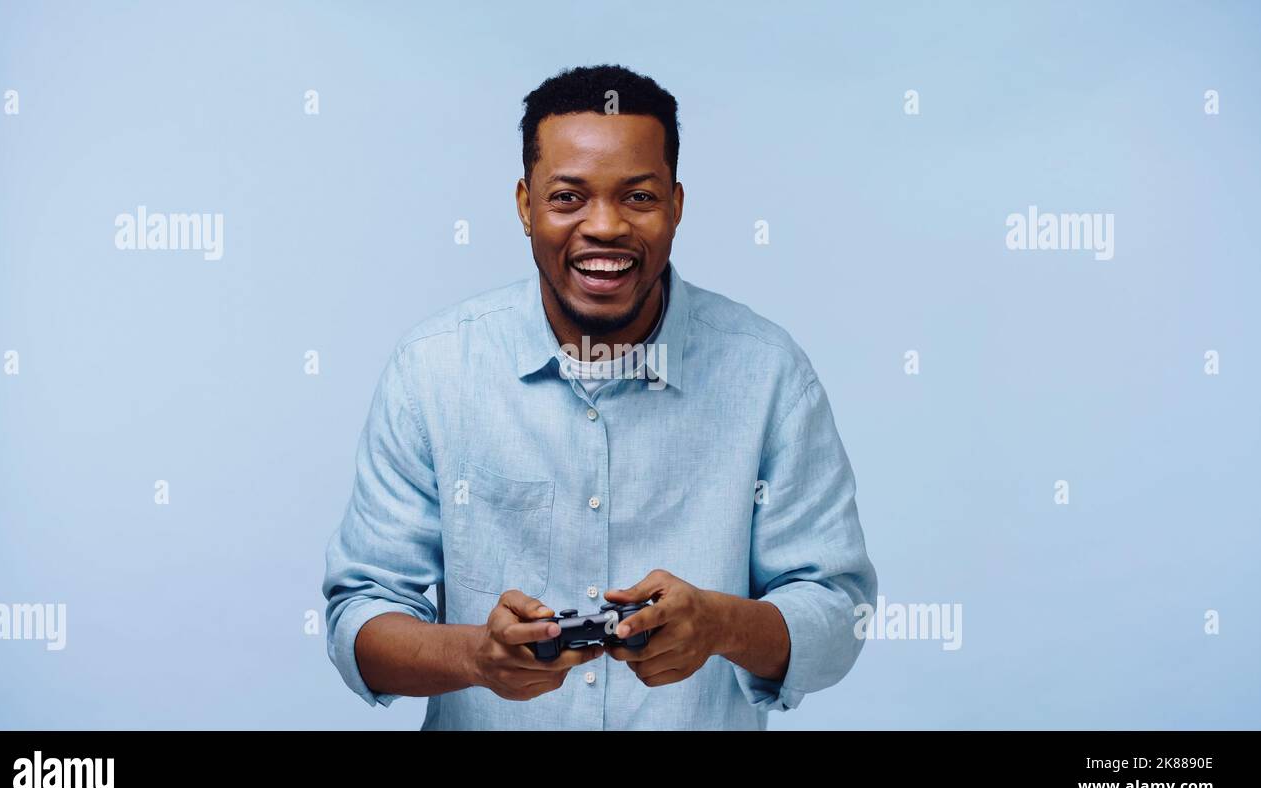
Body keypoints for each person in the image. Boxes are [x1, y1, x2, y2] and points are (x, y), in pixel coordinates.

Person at [322, 64, 877, 730]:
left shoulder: (769, 373)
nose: (605, 226)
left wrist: (719, 623)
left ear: (676, 204)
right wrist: (477, 654)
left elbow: (839, 617)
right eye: (568, 197)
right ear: (526, 206)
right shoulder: (434, 370)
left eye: (638, 197)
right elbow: (358, 616)